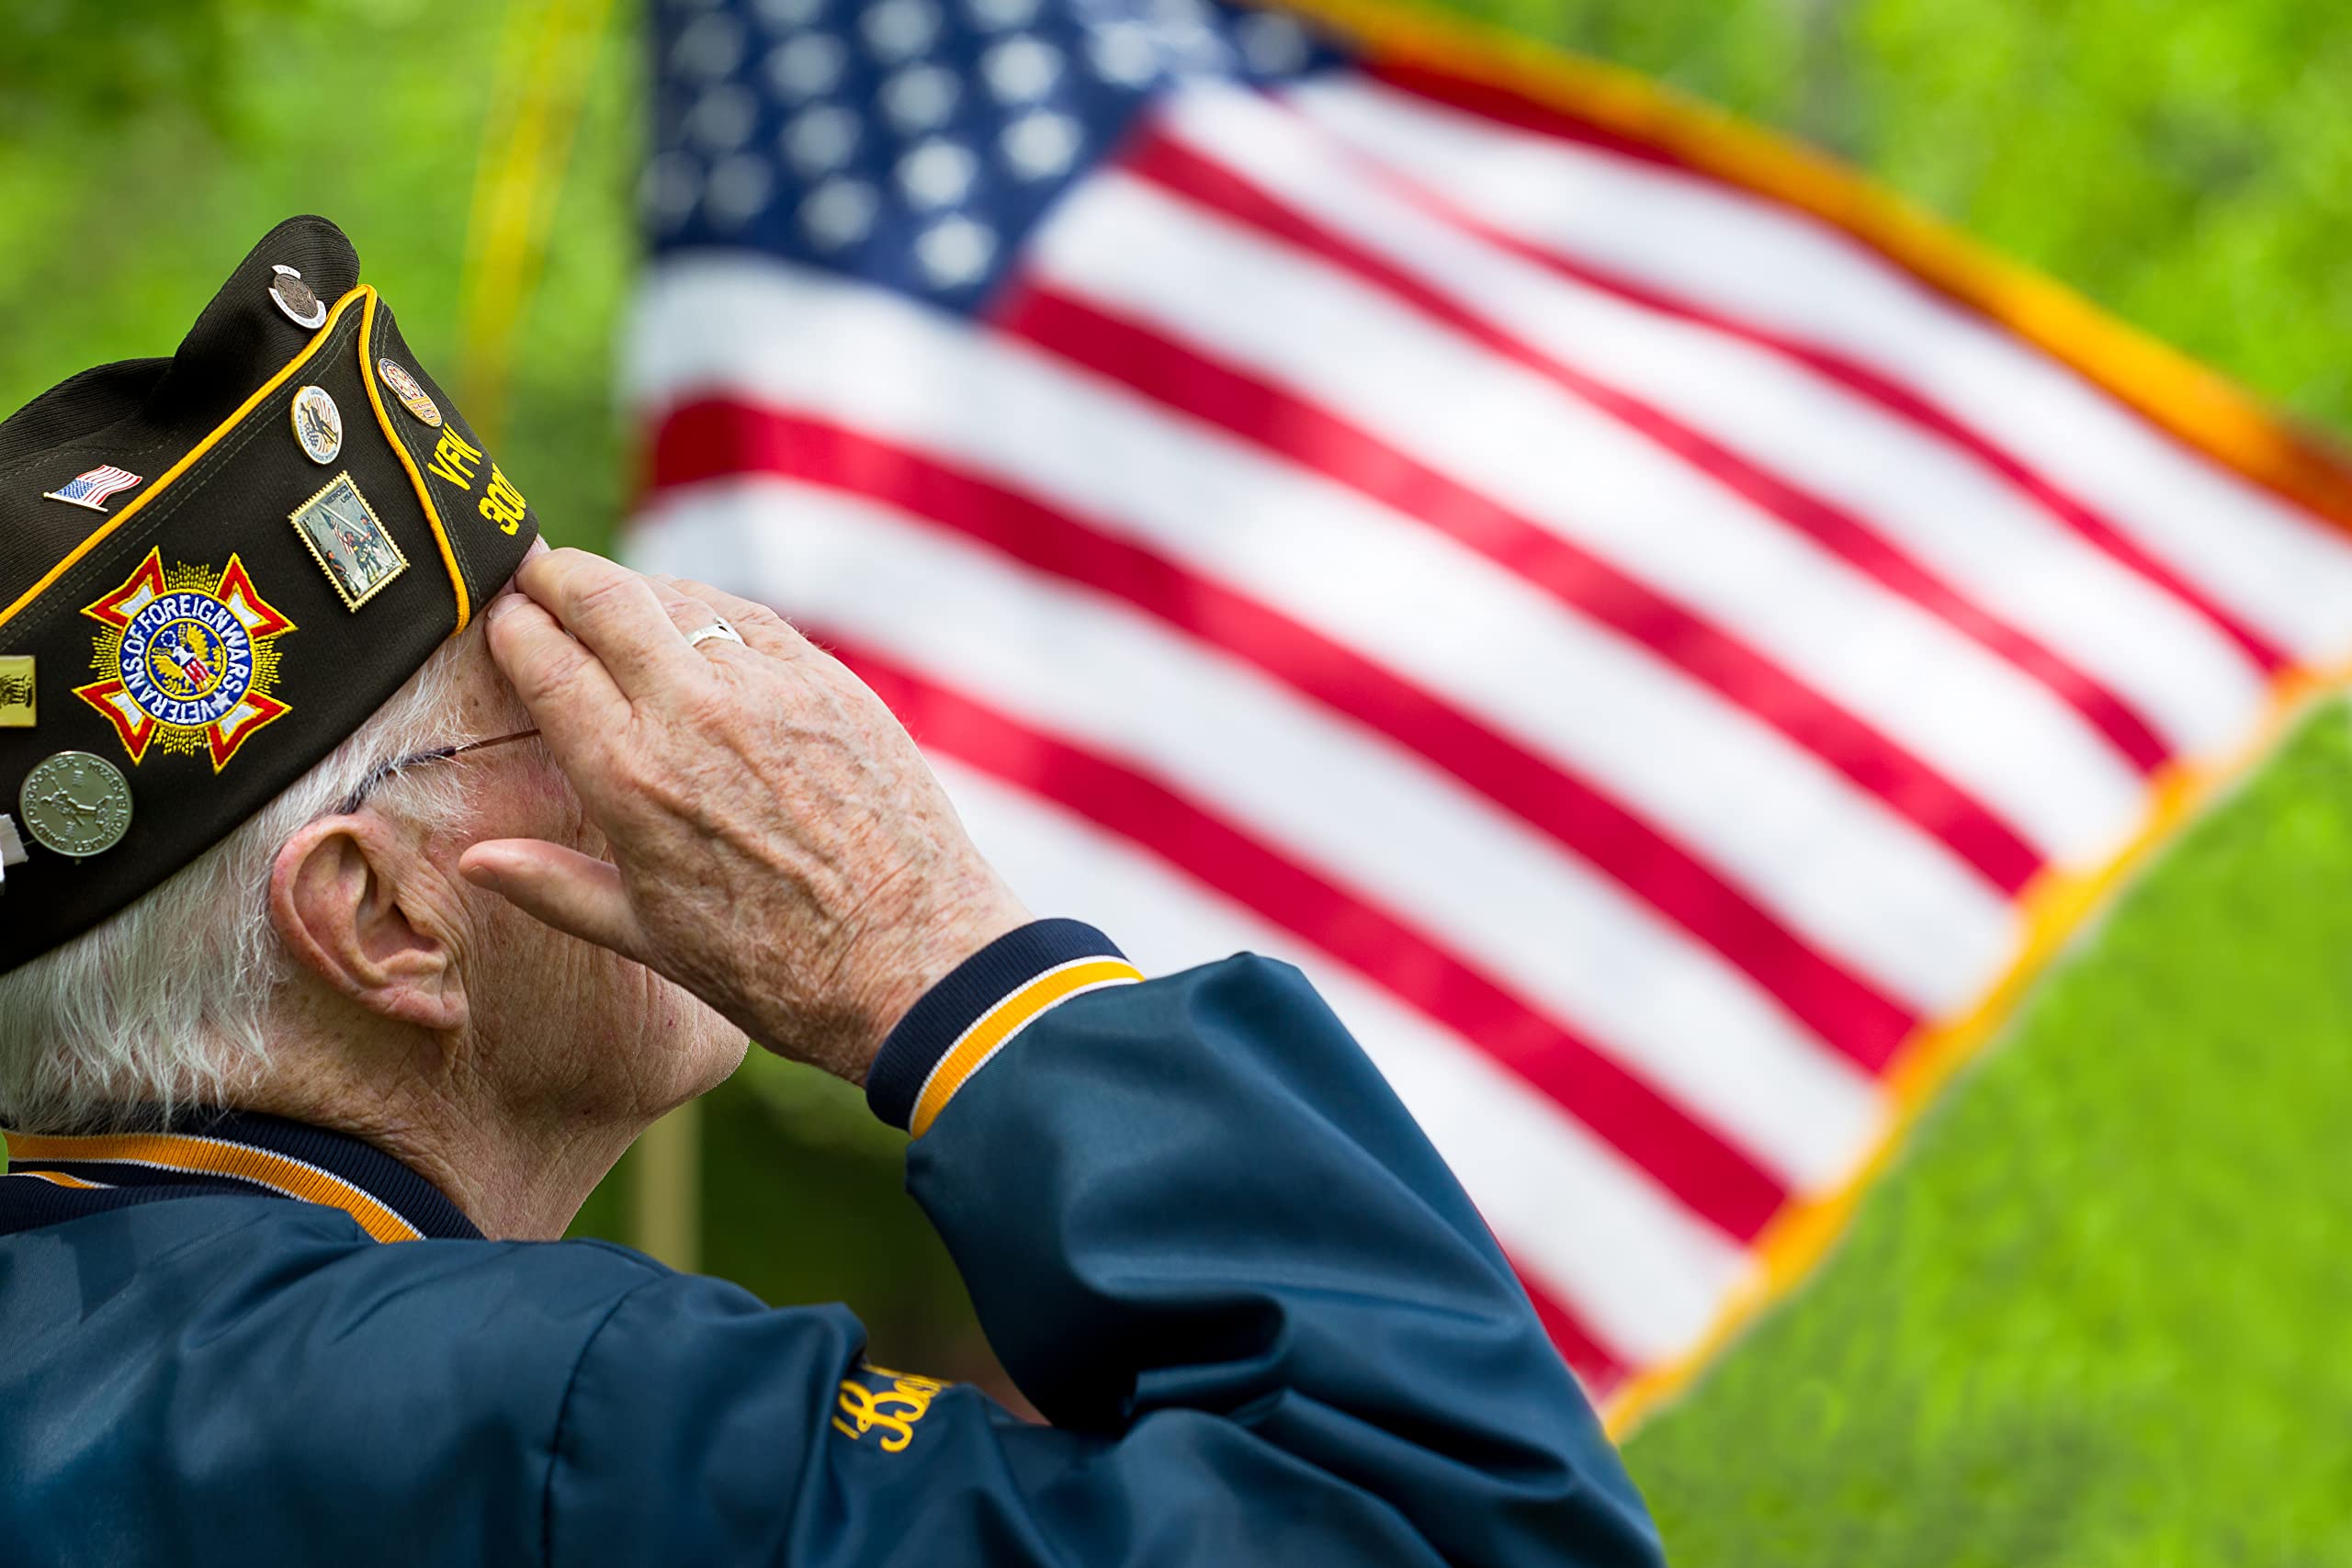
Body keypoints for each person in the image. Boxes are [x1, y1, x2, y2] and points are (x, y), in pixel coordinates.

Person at [0, 219, 1663, 1565]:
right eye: (558, 683)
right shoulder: (550, 1422)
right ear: (384, 921)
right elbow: (1457, 1531)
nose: (699, 731)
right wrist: (935, 952)